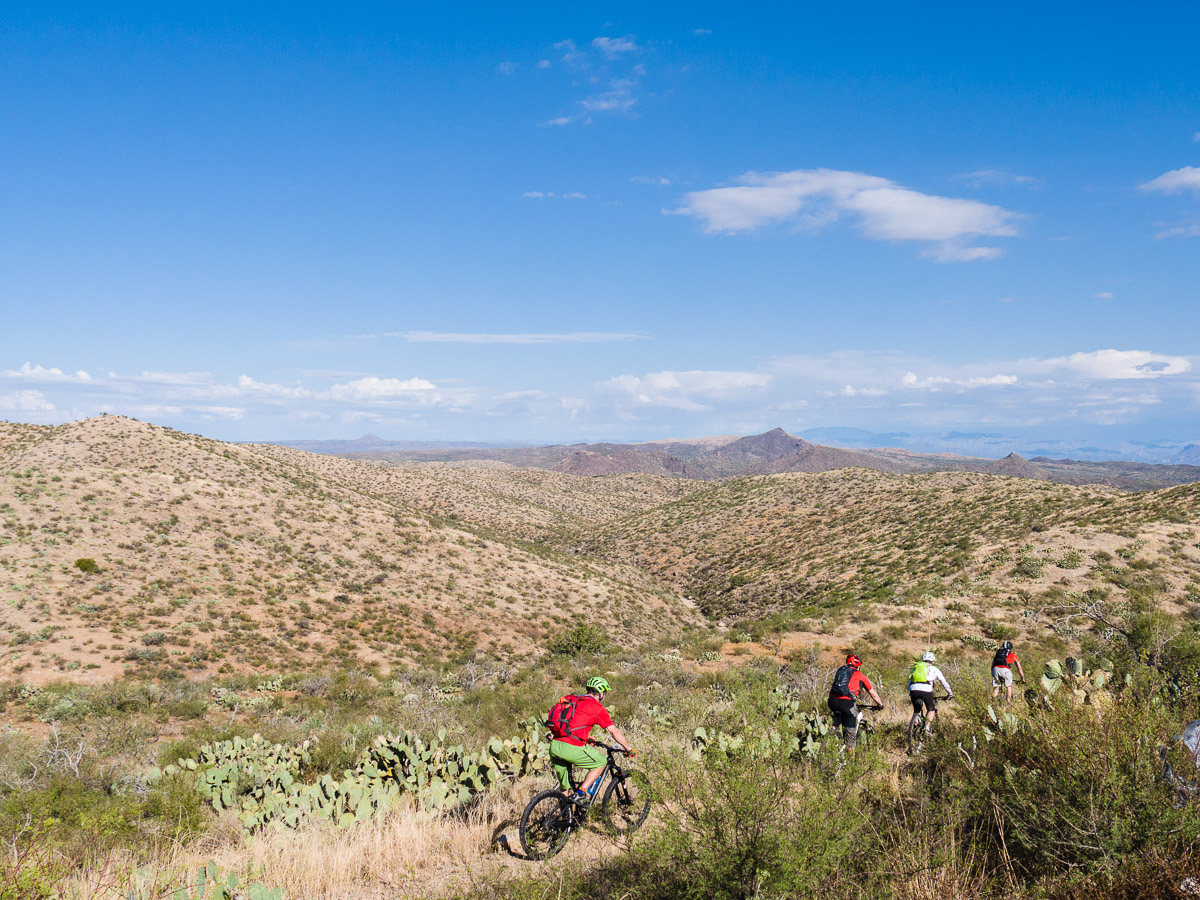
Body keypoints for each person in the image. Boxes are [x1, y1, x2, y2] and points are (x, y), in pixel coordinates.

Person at [548, 676, 635, 804]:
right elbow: (614, 731)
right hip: (571, 747)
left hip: (555, 746)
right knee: (601, 762)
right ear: (601, 693)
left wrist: (584, 736)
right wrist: (628, 748)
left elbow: (569, 722)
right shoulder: (597, 708)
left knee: (564, 787)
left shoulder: (572, 699)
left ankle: (567, 820)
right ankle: (581, 792)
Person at [827, 654, 883, 750]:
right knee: (851, 740)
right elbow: (873, 694)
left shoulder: (841, 672)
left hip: (832, 701)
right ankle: (850, 762)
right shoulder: (860, 676)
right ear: (858, 666)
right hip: (846, 703)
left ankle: (830, 737)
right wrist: (880, 704)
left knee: (838, 719)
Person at [908, 650, 953, 735]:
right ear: (933, 661)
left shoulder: (916, 668)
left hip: (913, 689)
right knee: (931, 710)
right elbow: (944, 682)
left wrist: (910, 691)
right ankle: (927, 728)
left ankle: (914, 725)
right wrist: (950, 693)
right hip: (926, 689)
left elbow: (910, 681)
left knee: (916, 710)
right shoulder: (933, 669)